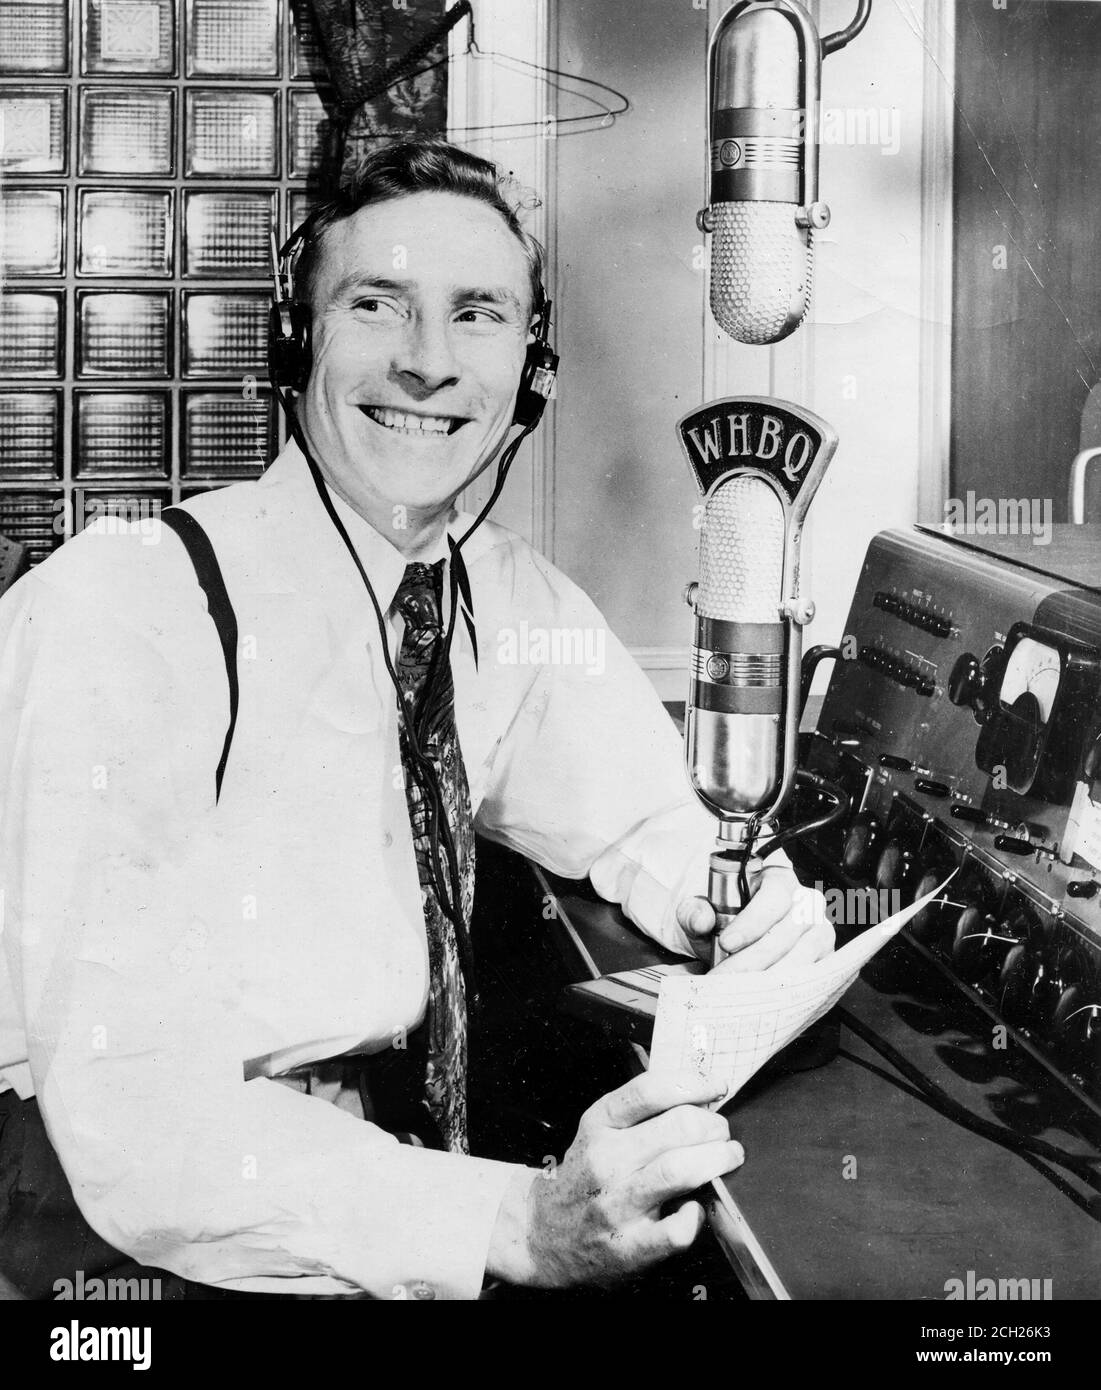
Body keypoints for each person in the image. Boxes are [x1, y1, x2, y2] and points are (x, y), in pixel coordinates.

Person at [0, 139, 833, 1300]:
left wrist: (737, 904)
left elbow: (648, 816)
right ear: (298, 343)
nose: (428, 363)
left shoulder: (498, 596)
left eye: (479, 314)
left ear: (529, 375)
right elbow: (139, 1117)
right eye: (377, 303)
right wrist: (515, 1221)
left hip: (352, 1180)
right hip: (111, 1228)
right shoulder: (129, 607)